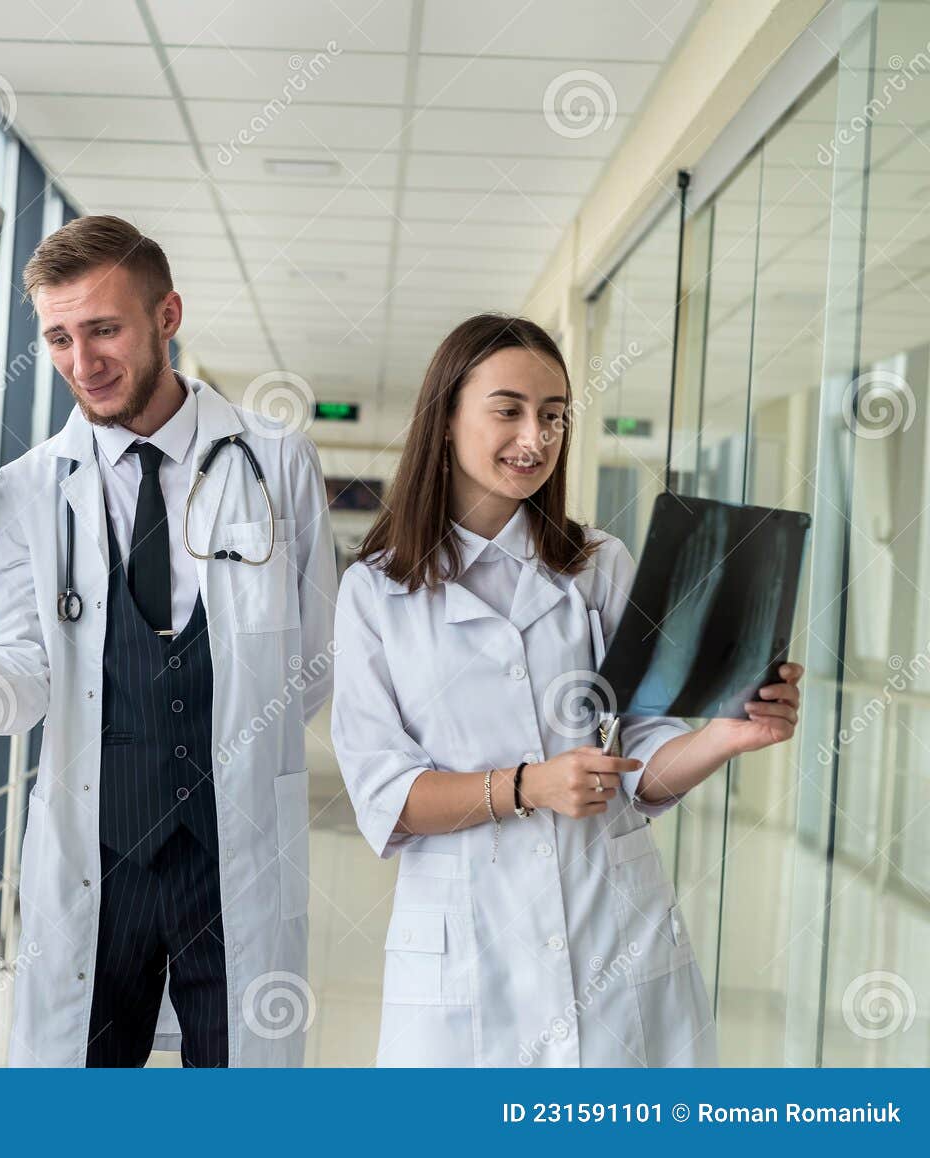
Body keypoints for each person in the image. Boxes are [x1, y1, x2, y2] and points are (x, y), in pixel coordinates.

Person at [0, 215, 337, 1067]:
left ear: (166, 316)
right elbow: (20, 680)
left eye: (104, 329)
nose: (81, 361)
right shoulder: (27, 490)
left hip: (235, 851)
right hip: (99, 858)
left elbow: (312, 659)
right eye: (59, 337)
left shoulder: (276, 461)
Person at [331, 314, 804, 1067]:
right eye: (509, 409)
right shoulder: (375, 592)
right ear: (447, 416)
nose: (536, 437)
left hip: (610, 933)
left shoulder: (598, 565)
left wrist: (724, 735)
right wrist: (530, 786)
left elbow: (640, 752)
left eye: (554, 416)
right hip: (465, 945)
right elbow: (384, 795)